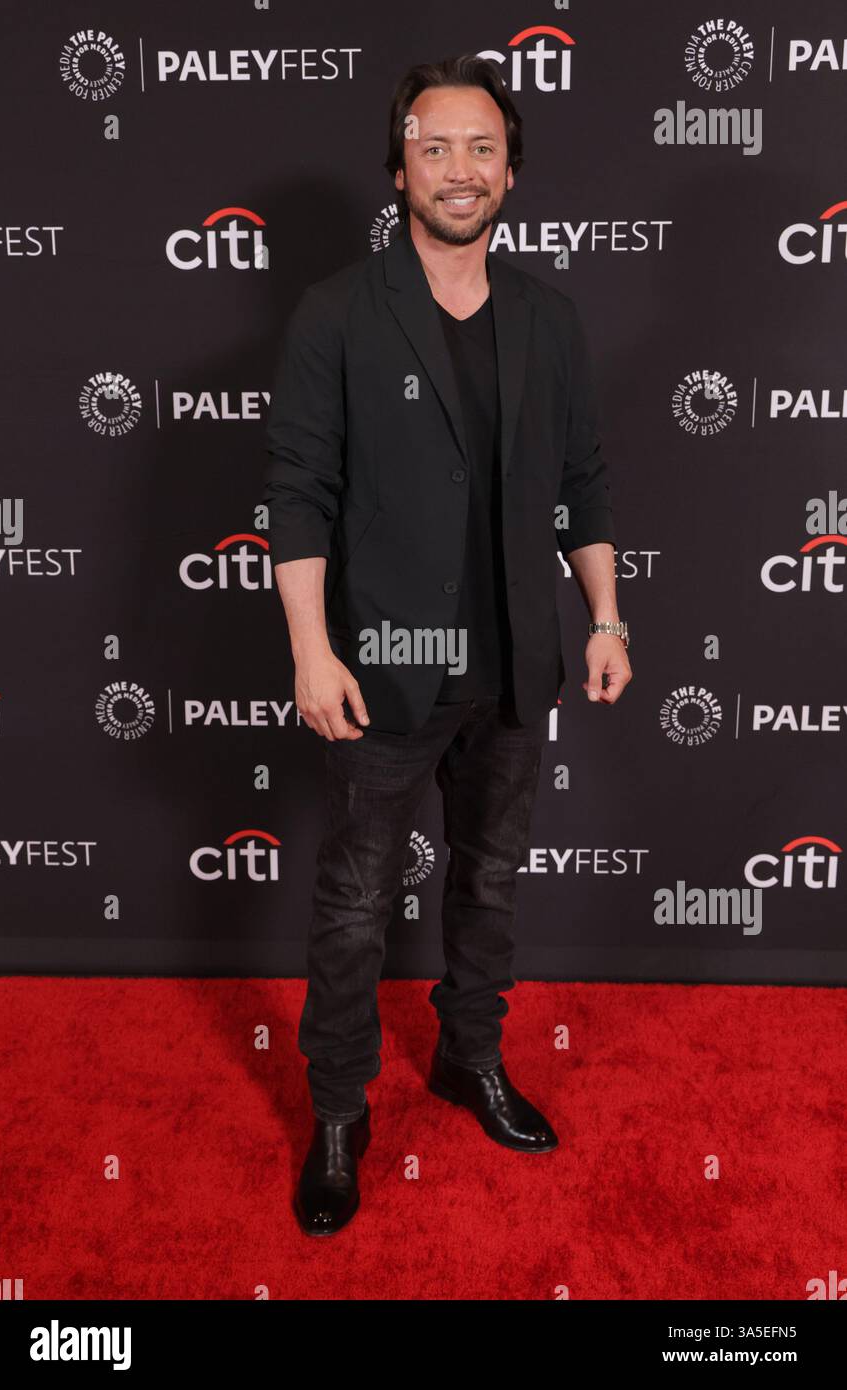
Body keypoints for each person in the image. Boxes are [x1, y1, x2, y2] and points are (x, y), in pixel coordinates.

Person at [261, 53, 632, 1236]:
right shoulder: (335, 312)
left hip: (518, 661)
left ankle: (471, 1059)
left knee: (491, 886)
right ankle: (337, 1109)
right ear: (399, 165)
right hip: (382, 668)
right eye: (435, 147)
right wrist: (314, 654)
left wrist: (607, 616)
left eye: (482, 148)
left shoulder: (550, 317)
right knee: (357, 903)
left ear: (510, 170)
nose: (459, 170)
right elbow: (299, 492)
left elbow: (582, 482)